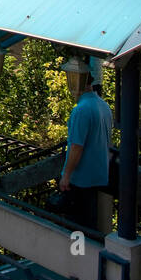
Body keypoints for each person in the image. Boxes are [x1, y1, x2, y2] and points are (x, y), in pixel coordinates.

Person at [58, 57, 114, 231]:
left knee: (78, 228)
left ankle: (78, 256)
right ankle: (85, 254)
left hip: (81, 180)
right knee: (90, 223)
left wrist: (66, 175)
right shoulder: (104, 106)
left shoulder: (81, 111)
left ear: (75, 81)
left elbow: (76, 146)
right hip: (100, 175)